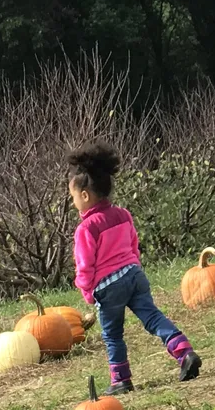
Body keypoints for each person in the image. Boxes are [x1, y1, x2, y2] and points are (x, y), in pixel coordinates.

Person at [69, 144, 201, 396]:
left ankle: (121, 379)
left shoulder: (86, 229)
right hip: (133, 274)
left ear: (85, 195)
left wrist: (87, 292)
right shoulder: (123, 215)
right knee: (152, 317)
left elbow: (85, 266)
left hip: (108, 287)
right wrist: (134, 268)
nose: (74, 203)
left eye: (73, 197)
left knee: (112, 335)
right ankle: (184, 352)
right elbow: (133, 245)